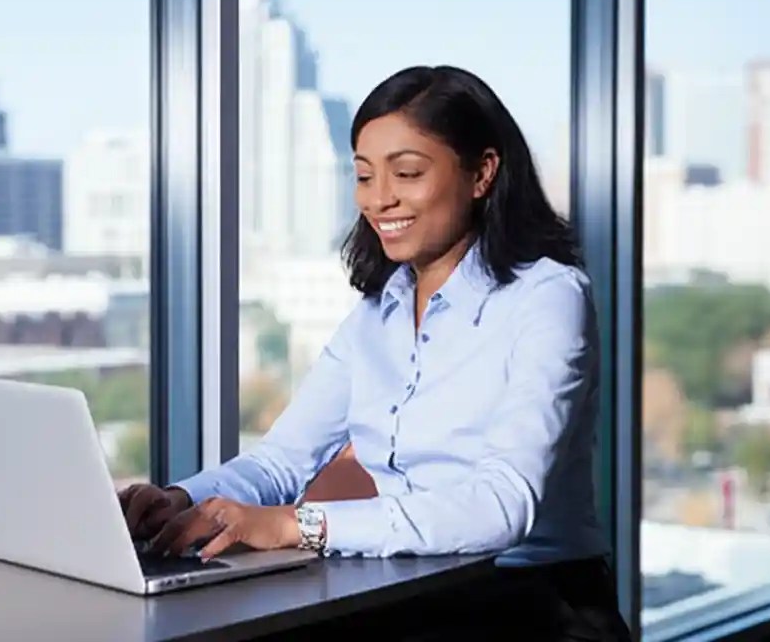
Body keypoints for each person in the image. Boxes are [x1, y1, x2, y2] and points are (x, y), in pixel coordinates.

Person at [118, 65, 631, 641]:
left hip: (538, 604)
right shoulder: (376, 316)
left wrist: (297, 525)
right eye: (364, 176)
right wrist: (181, 501)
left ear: (483, 172)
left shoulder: (547, 297)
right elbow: (282, 461)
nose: (379, 199)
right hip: (412, 590)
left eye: (407, 173)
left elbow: (501, 505)